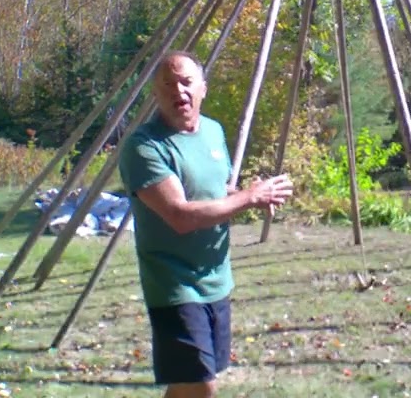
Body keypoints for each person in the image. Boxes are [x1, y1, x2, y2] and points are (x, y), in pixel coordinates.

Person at [118, 50, 294, 398]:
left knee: (188, 385)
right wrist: (248, 198)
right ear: (155, 93)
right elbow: (179, 216)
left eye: (186, 82)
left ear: (203, 89)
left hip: (216, 279)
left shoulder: (213, 131)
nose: (178, 91)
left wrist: (249, 194)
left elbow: (216, 191)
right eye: (168, 84)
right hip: (174, 285)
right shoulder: (143, 147)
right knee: (202, 385)